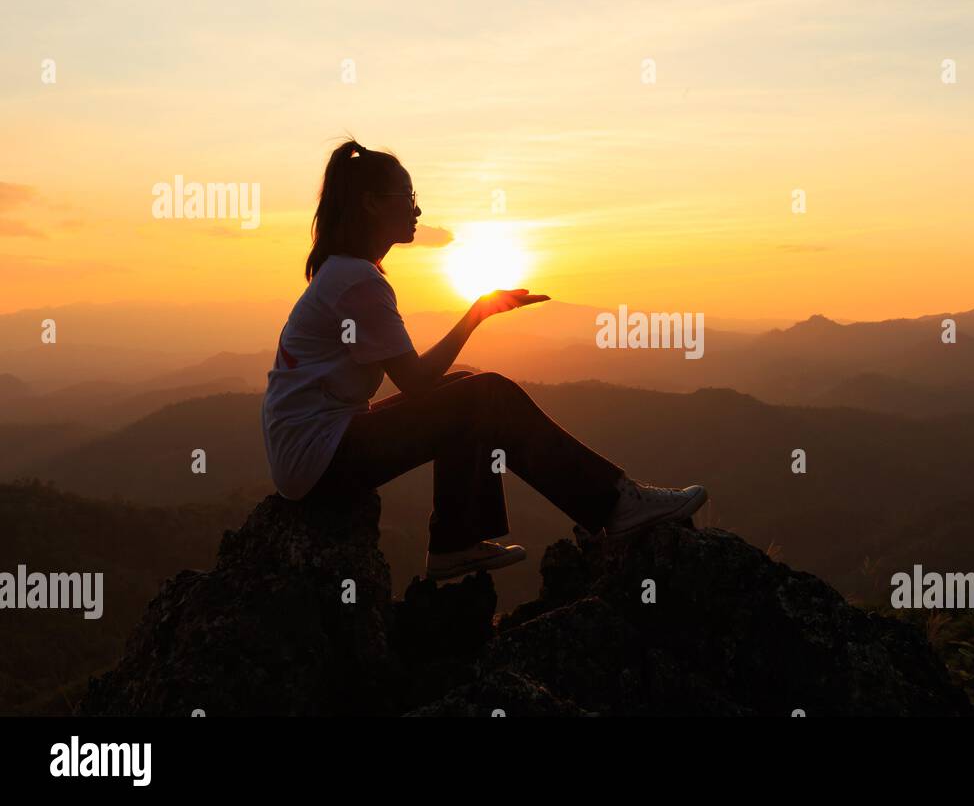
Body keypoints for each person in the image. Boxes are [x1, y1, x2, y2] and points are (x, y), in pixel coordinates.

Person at [261, 139, 708, 581]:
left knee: (467, 384)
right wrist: (476, 314)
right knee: (486, 395)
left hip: (312, 452)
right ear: (373, 204)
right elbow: (415, 381)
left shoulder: (346, 271)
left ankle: (456, 543)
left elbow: (415, 380)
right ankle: (616, 504)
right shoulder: (358, 280)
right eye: (409, 198)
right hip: (318, 459)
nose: (417, 210)